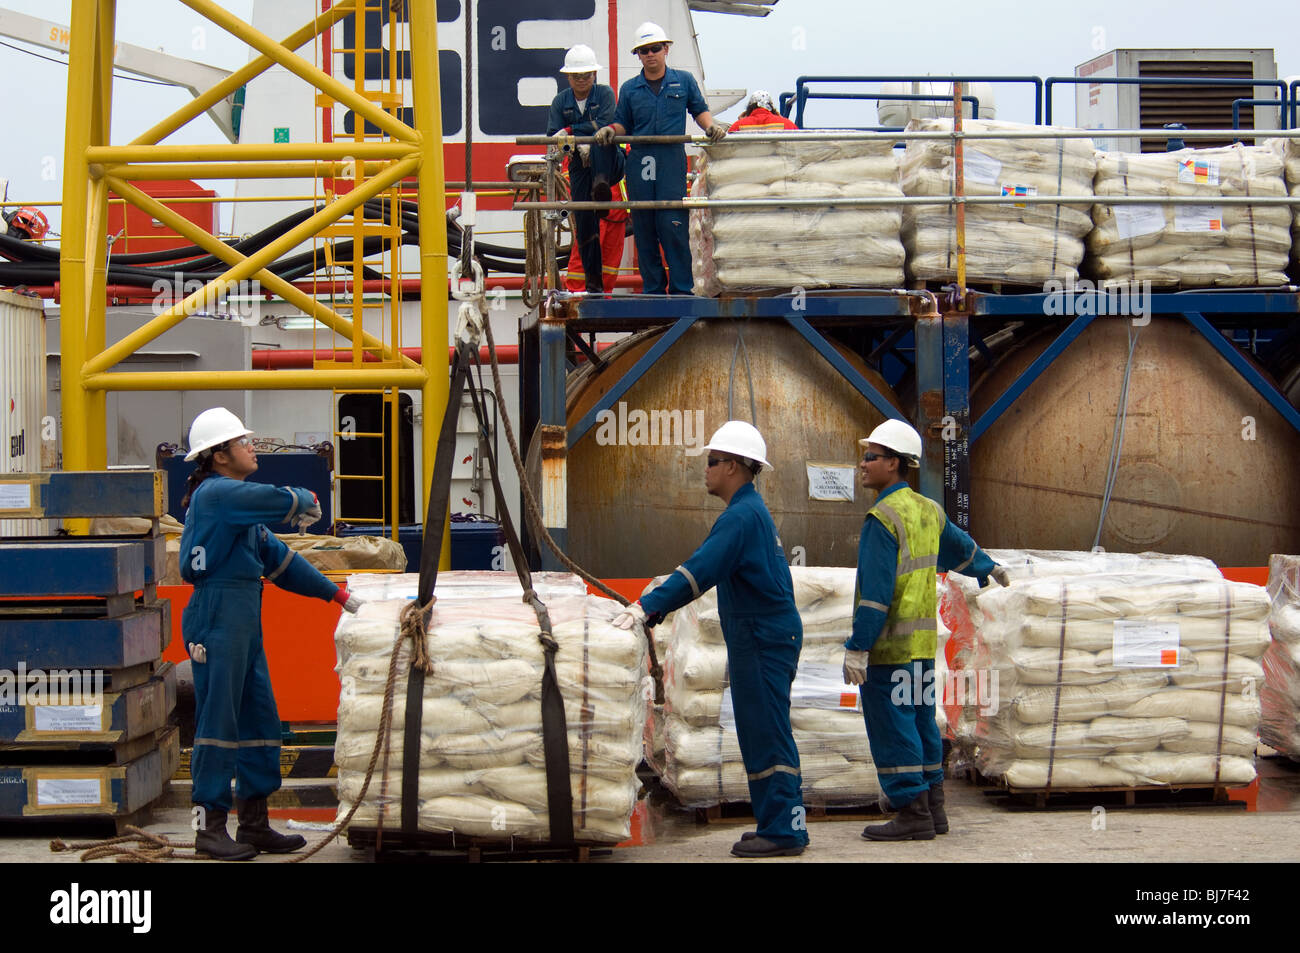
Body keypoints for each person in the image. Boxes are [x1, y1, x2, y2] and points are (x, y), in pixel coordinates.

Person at [613, 421, 808, 858]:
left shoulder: (741, 518)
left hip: (763, 640)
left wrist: (647, 607)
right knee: (762, 732)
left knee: (768, 733)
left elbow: (700, 570)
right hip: (761, 638)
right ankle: (778, 823)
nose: (706, 469)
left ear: (735, 467)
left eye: (713, 461)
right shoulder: (748, 513)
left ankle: (784, 829)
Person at [178, 407, 364, 860]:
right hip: (217, 615)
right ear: (218, 456)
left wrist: (336, 597)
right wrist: (302, 499)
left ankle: (255, 824)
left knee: (260, 718)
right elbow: (278, 500)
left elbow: (281, 561)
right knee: (218, 722)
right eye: (242, 442)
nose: (251, 447)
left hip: (241, 616)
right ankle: (209, 827)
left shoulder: (237, 511)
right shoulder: (218, 494)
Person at [843, 419, 1007, 842]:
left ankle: (912, 813)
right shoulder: (928, 510)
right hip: (920, 650)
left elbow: (875, 595)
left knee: (893, 729)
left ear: (894, 463)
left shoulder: (882, 517)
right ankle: (934, 810)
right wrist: (990, 567)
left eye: (871, 456)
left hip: (888, 650)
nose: (862, 463)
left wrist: (859, 646)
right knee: (920, 724)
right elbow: (960, 547)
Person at [595, 21, 726, 295]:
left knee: (672, 224)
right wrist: (609, 130)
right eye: (644, 51)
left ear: (666, 49)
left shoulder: (684, 81)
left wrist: (711, 127)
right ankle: (653, 290)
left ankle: (681, 289)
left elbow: (699, 110)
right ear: (638, 55)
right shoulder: (630, 89)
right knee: (644, 227)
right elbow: (623, 124)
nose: (650, 54)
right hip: (640, 160)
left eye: (655, 48)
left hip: (670, 160)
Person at [548, 44, 625, 295]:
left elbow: (605, 122)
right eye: (576, 76)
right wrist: (575, 139)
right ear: (568, 77)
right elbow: (553, 135)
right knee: (584, 222)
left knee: (601, 138)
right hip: (579, 166)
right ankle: (593, 285)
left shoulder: (604, 94)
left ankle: (601, 185)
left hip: (609, 163)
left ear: (595, 75)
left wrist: (572, 131)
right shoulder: (561, 101)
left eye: (586, 75)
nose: (582, 80)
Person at [729, 90, 798, 132]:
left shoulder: (738, 126)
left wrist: (741, 121)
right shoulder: (787, 124)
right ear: (772, 108)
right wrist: (781, 119)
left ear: (749, 108)